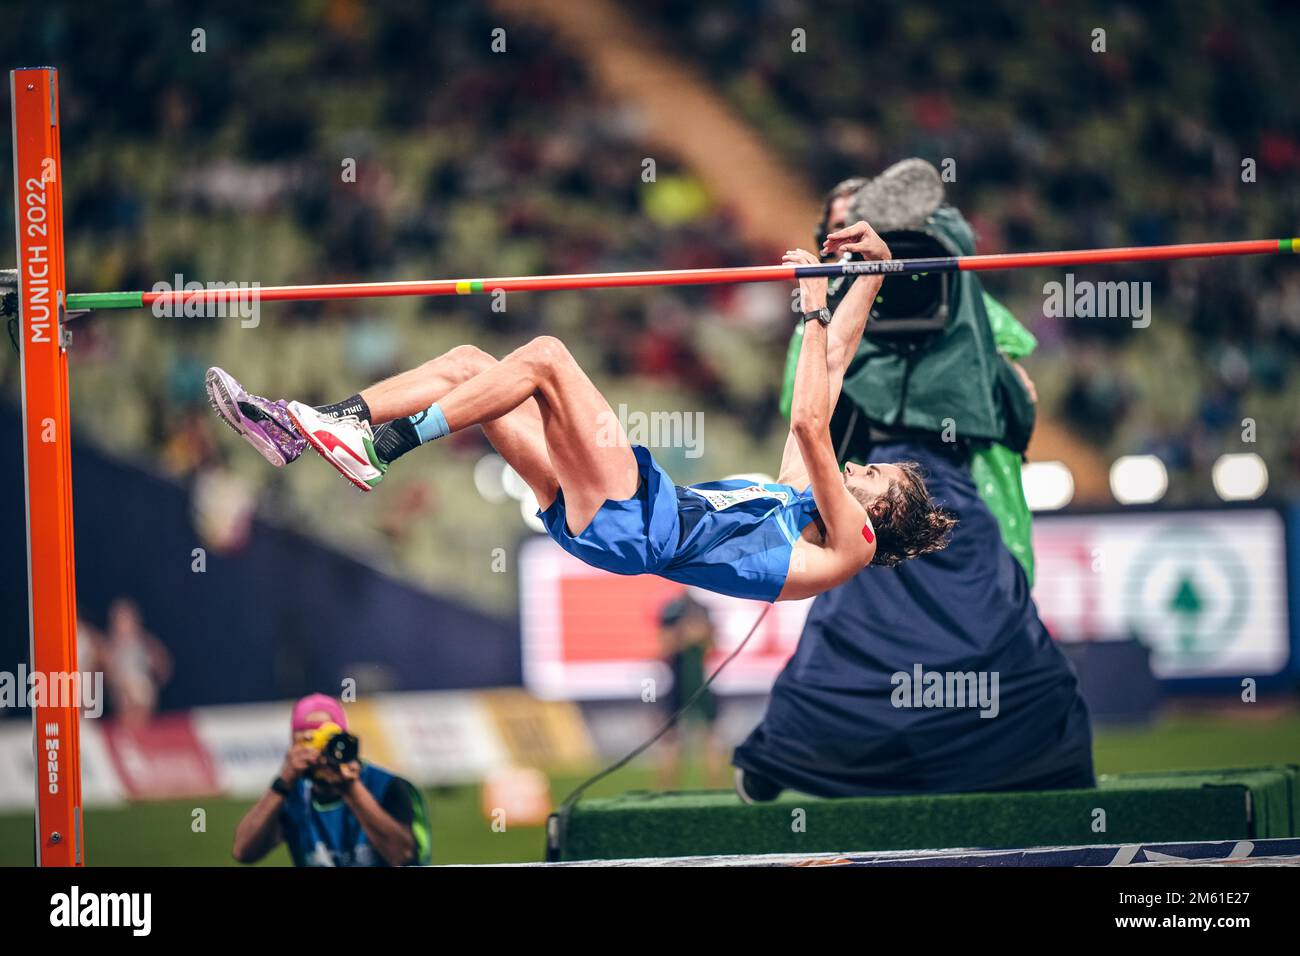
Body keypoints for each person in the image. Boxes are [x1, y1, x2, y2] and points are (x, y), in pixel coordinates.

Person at [206, 227, 956, 605]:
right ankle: (307, 427)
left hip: (646, 523)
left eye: (870, 475)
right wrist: (872, 274)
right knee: (475, 364)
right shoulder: (796, 507)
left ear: (882, 511)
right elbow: (832, 362)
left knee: (545, 359)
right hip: (627, 521)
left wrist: (814, 302)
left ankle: (382, 446)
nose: (857, 469)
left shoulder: (848, 546)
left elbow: (809, 424)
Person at [732, 164, 1094, 802]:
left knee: (1006, 622)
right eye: (840, 224)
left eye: (867, 217)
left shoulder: (939, 275)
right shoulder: (818, 329)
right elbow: (810, 423)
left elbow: (946, 252)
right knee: (839, 630)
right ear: (826, 242)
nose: (852, 228)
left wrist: (895, 247)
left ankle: (1051, 764)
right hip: (867, 499)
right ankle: (781, 756)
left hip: (946, 487)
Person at [231, 693, 431, 867]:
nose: (320, 756)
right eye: (307, 743)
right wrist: (283, 781)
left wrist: (351, 789)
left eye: (327, 744)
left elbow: (405, 858)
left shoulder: (387, 787)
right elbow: (243, 852)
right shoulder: (292, 796)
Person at [656, 592, 724, 789]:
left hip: (700, 683)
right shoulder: (673, 611)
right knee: (671, 739)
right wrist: (683, 636)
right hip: (678, 683)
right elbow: (664, 648)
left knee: (710, 736)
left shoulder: (702, 611)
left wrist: (701, 634)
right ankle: (666, 789)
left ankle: (715, 788)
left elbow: (713, 645)